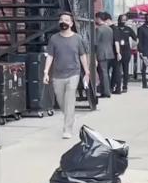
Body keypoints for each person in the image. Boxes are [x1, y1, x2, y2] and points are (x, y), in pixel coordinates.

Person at [43, 11, 90, 139]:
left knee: (70, 100)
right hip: (57, 75)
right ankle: (70, 116)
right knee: (61, 101)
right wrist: (46, 72)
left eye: (66, 20)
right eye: (61, 20)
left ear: (71, 23)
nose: (63, 22)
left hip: (73, 73)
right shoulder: (54, 39)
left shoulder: (77, 38)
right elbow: (50, 56)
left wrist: (87, 71)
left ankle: (67, 129)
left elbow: (82, 55)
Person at [95, 11, 117, 98]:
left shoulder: (99, 29)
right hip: (109, 52)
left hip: (101, 53)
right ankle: (106, 90)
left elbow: (95, 42)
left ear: (98, 18)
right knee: (106, 73)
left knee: (103, 73)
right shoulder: (110, 29)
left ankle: (106, 92)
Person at [115, 14, 137, 93]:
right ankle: (117, 86)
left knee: (125, 69)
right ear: (119, 20)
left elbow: (135, 38)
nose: (123, 21)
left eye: (125, 20)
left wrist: (134, 46)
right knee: (117, 70)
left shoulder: (128, 29)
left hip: (126, 51)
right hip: (117, 51)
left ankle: (125, 86)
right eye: (122, 20)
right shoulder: (116, 29)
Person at [104, 12, 122, 94]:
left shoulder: (113, 29)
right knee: (115, 71)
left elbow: (116, 42)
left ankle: (117, 88)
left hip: (114, 52)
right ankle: (114, 87)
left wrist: (118, 53)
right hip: (114, 52)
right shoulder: (115, 28)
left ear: (107, 20)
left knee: (116, 71)